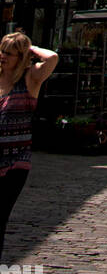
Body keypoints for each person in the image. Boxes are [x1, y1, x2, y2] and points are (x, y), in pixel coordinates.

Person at [0, 32, 58, 261]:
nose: (3, 57)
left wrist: (29, 49)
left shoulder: (29, 78)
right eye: (1, 51)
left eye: (9, 53)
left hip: (15, 162)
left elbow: (52, 57)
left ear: (20, 56)